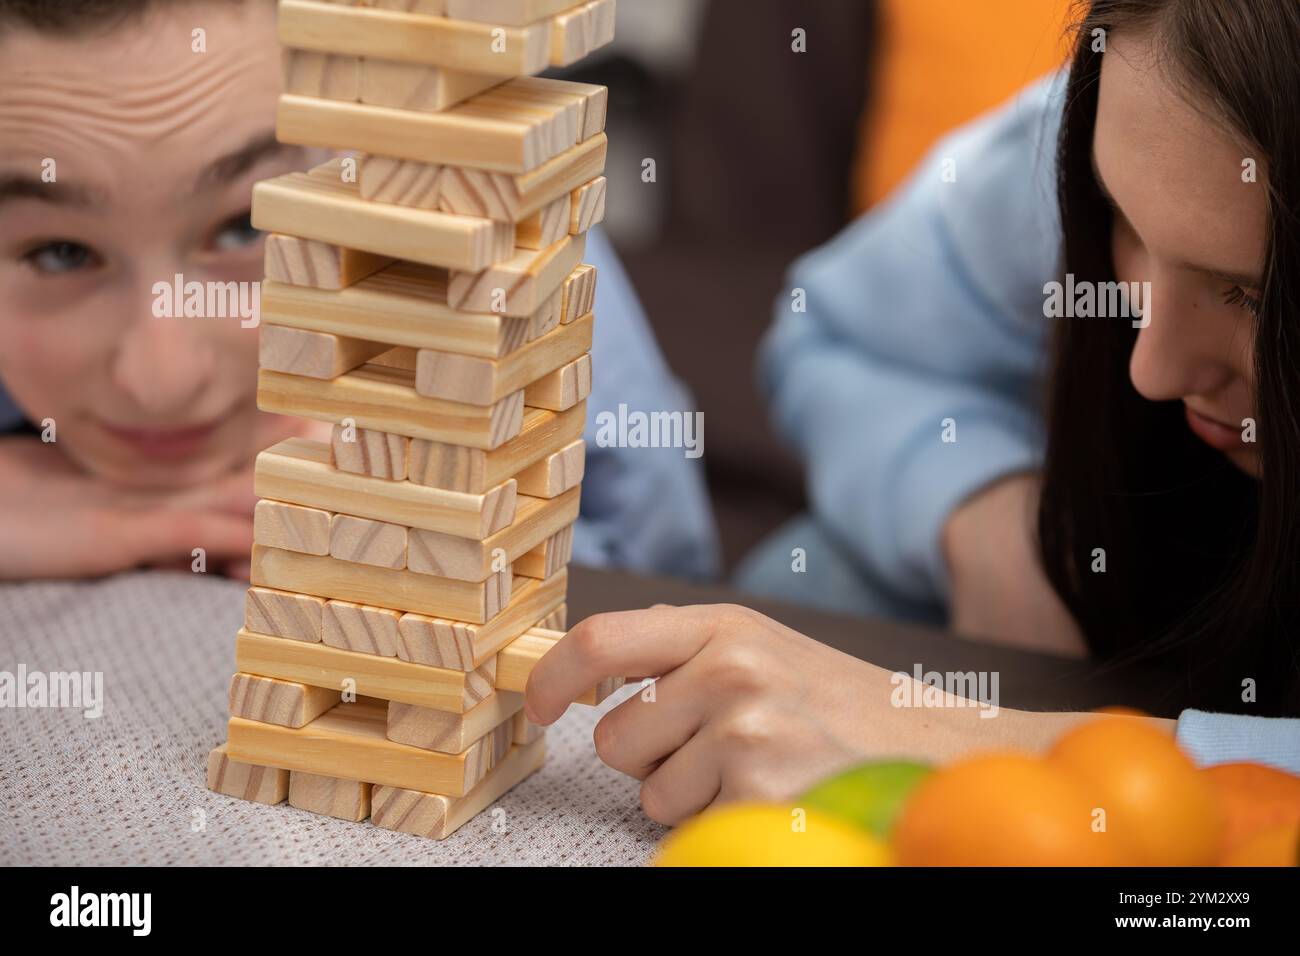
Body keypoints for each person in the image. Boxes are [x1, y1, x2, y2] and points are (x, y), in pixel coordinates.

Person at [527, 0, 1300, 824]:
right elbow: (835, 336)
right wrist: (979, 515)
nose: (1153, 369)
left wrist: (961, 739)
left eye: (1248, 296)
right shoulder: (1149, 99)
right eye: (1125, 227)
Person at [0, 0, 719, 581]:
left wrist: (447, 542)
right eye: (60, 254)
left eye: (245, 227)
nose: (162, 381)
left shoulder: (509, 236)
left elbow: (666, 581)